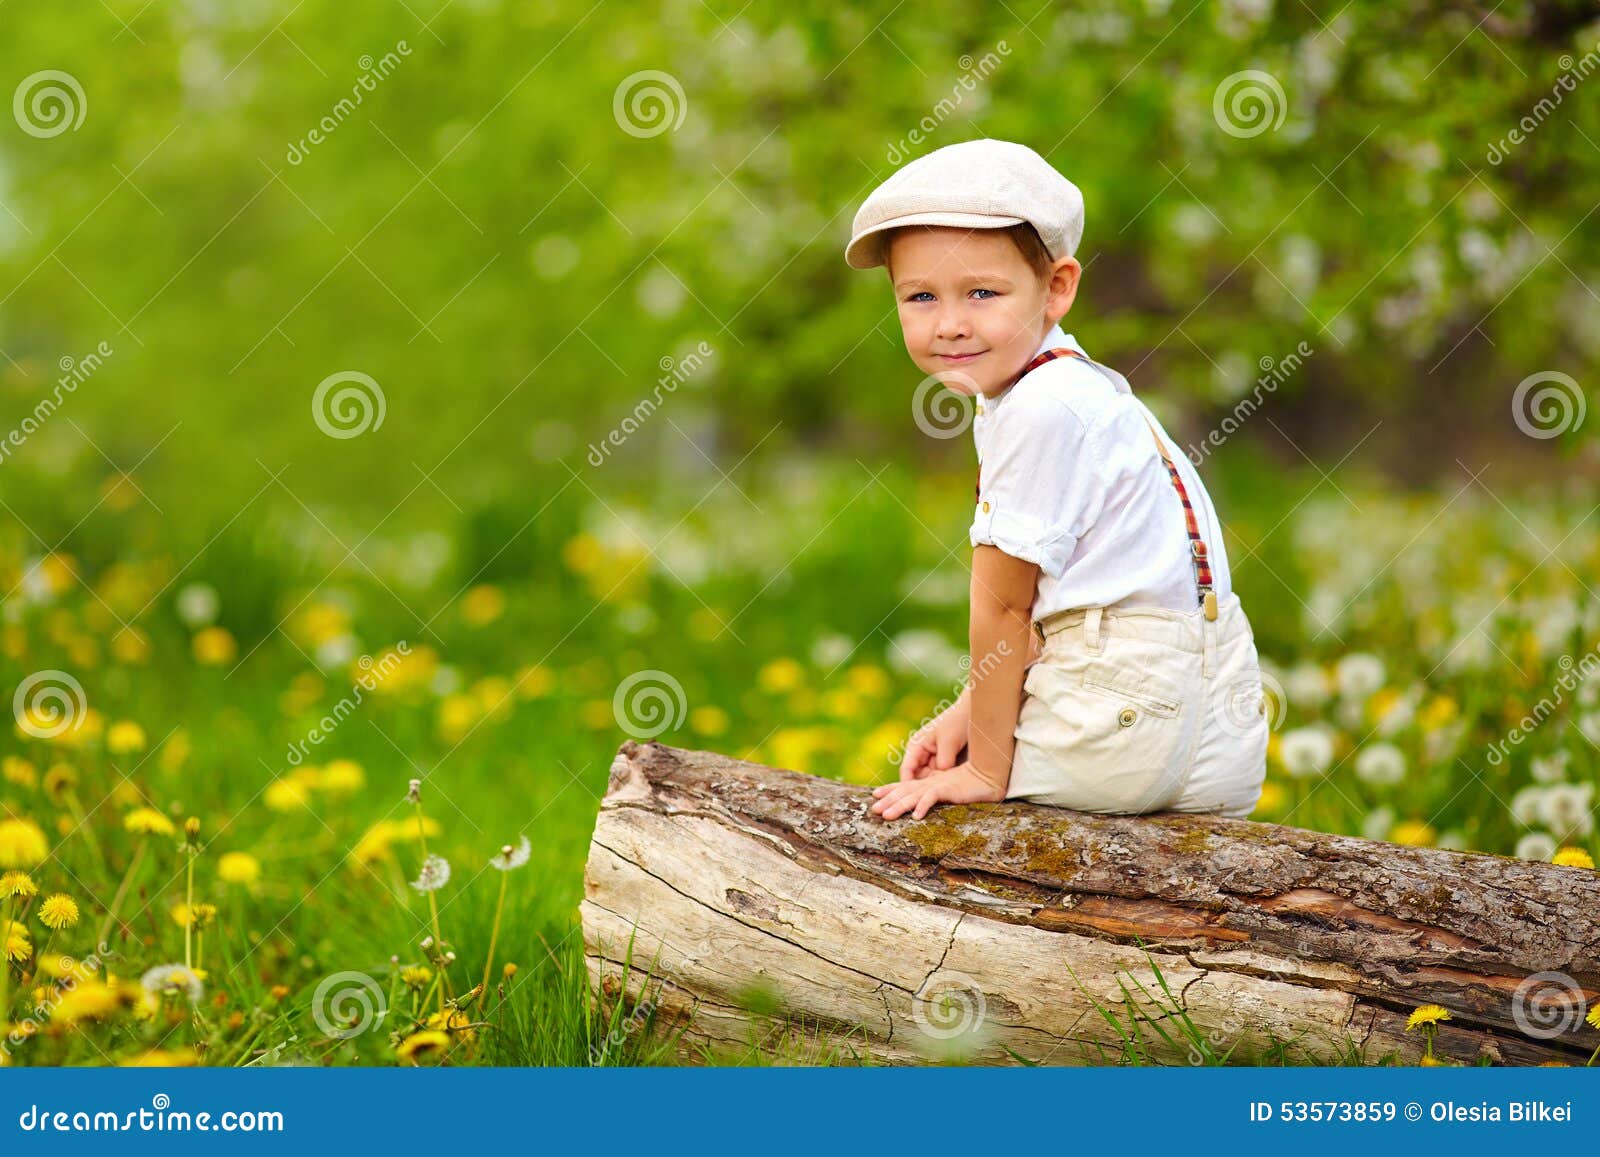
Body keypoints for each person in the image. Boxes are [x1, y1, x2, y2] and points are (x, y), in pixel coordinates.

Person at [847, 139, 1268, 823]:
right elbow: (1068, 594)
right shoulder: (1089, 389)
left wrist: (985, 765)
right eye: (921, 296)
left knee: (943, 806)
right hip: (1219, 727)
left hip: (1120, 726)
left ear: (1058, 287)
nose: (951, 323)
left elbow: (1007, 606)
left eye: (983, 292)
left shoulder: (1038, 410)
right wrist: (967, 710)